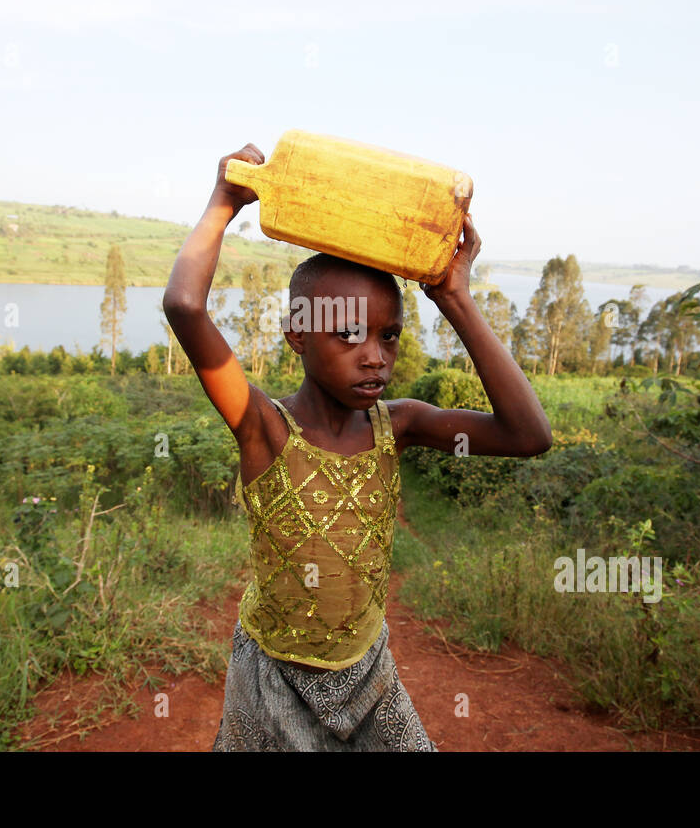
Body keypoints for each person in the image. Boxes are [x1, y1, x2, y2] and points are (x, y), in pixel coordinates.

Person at [163, 142, 553, 751]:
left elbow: (529, 436)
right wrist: (223, 201)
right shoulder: (263, 428)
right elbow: (184, 306)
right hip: (273, 676)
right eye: (349, 333)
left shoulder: (399, 426)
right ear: (297, 333)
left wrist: (455, 298)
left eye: (389, 335)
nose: (375, 354)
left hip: (369, 670)